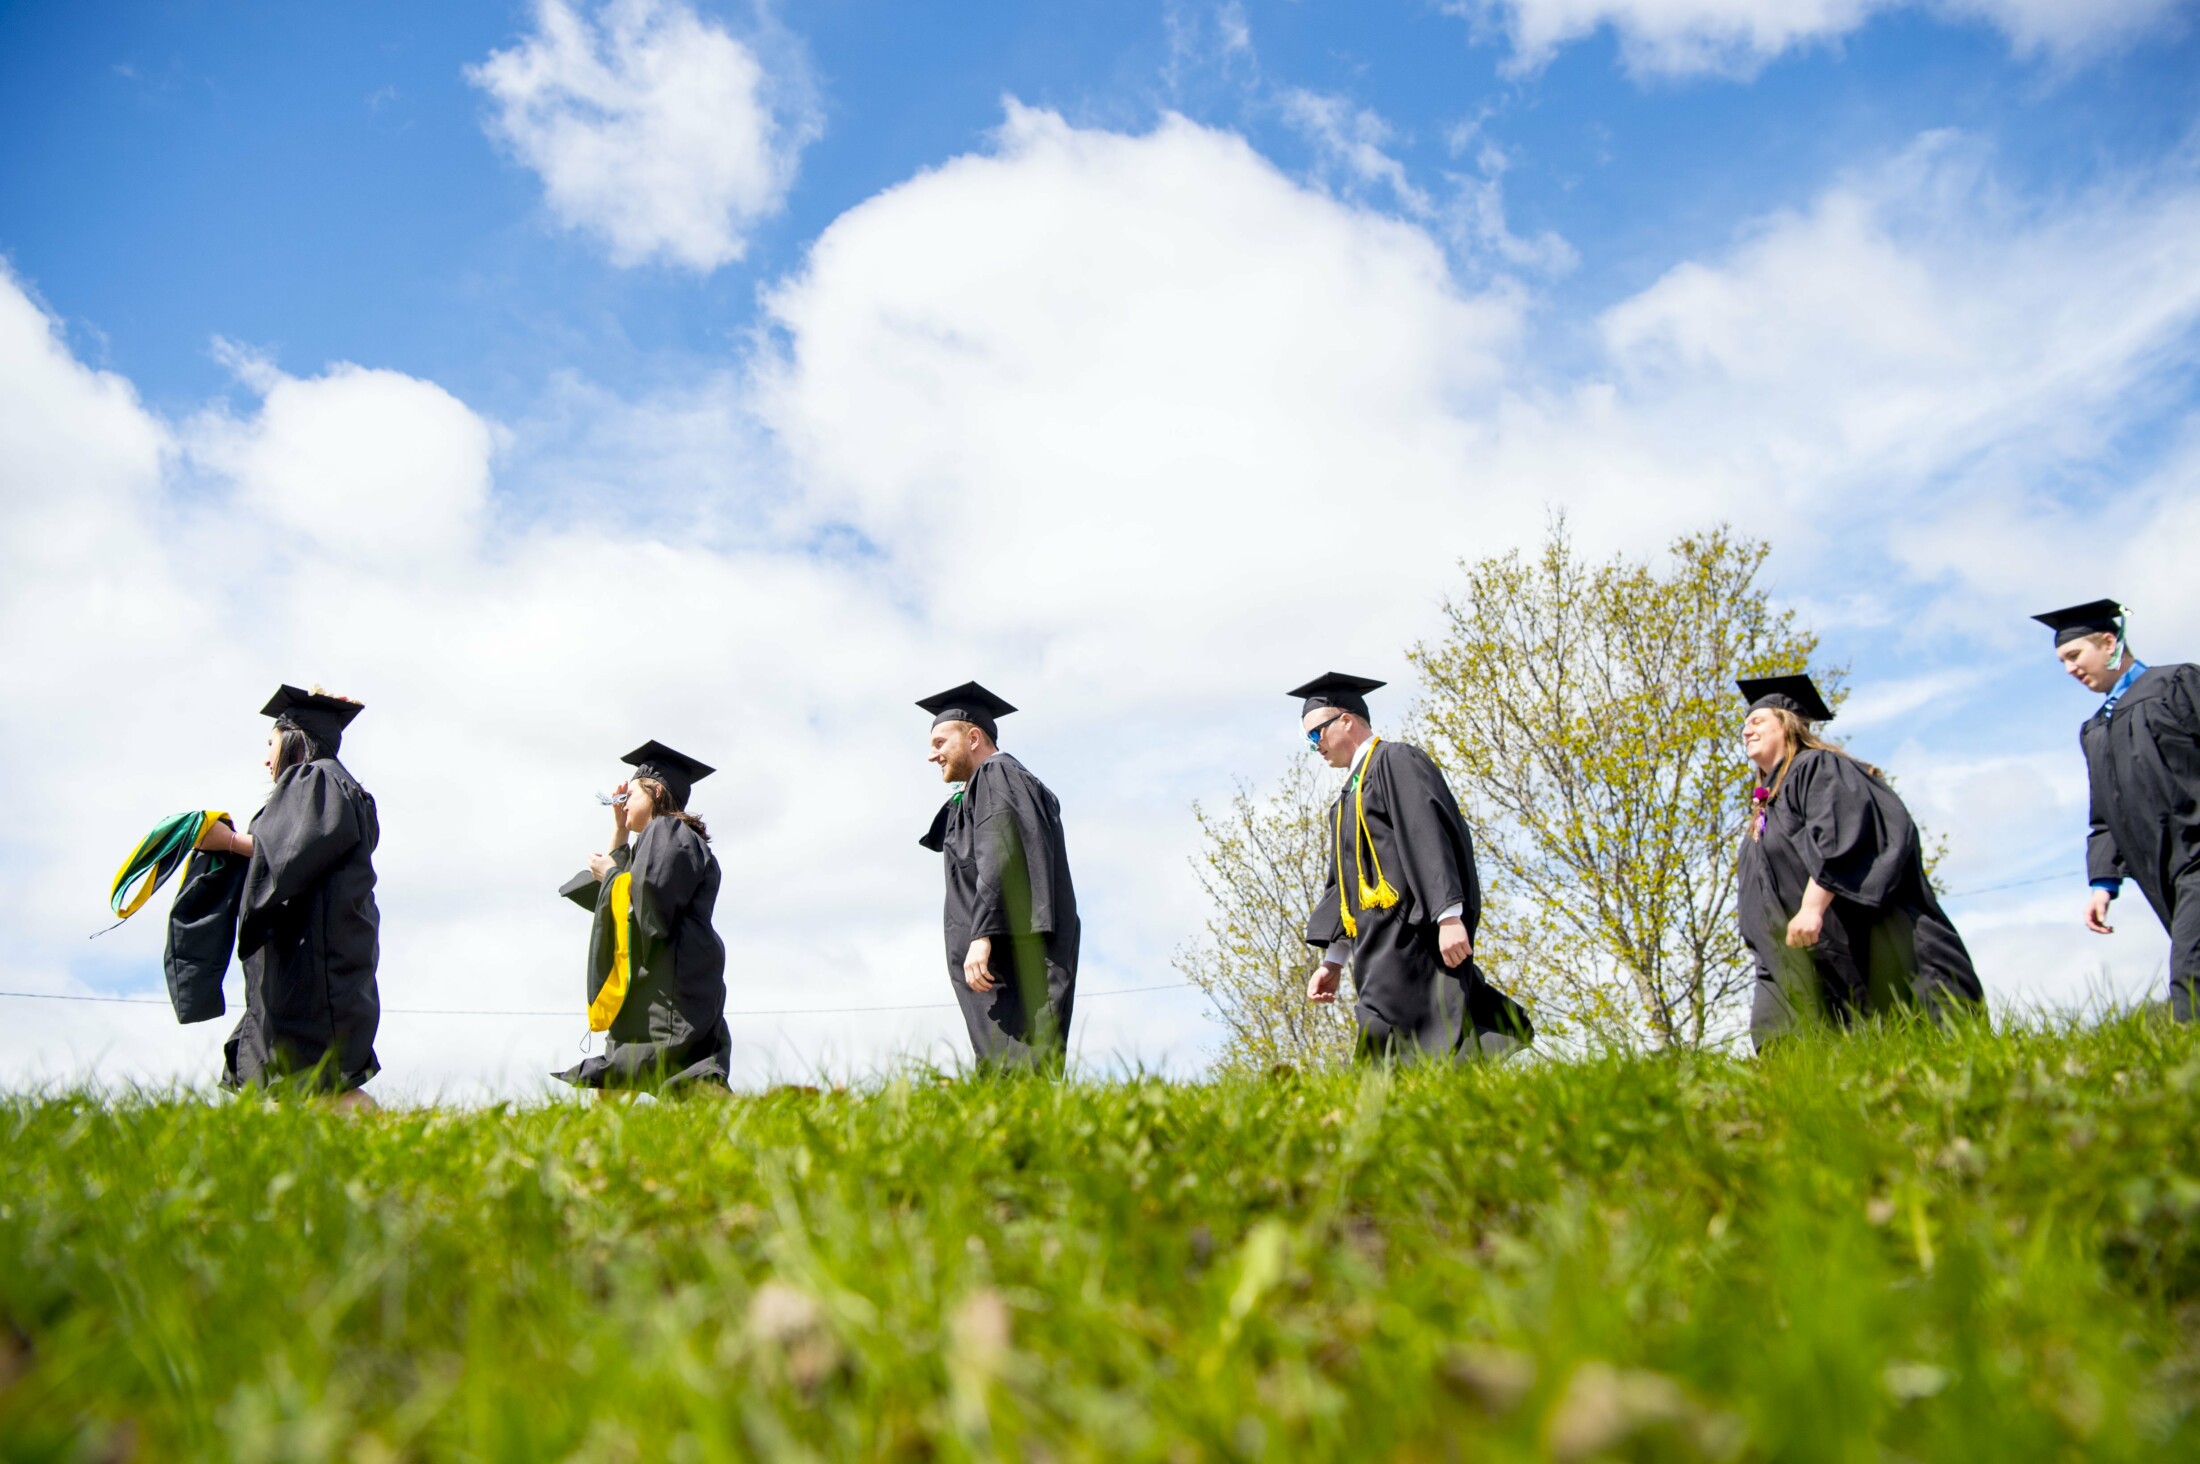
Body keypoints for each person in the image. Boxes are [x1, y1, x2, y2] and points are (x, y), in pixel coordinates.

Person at [1294, 673, 1532, 1062]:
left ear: (1346, 721)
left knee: (1412, 1046)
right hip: (1376, 954)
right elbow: (1343, 886)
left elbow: (1429, 835)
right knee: (1404, 1049)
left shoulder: (1395, 761)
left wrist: (1449, 916)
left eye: (1316, 735)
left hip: (1413, 942)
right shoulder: (1346, 797)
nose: (1314, 747)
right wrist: (1333, 961)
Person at [1736, 675, 1983, 1047]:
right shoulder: (1766, 805)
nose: (1746, 730)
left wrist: (1811, 908)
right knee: (1787, 1056)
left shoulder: (1815, 767)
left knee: (1914, 1041)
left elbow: (1844, 836)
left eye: (1757, 721)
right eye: (1744, 724)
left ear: (1787, 724)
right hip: (1797, 962)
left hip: (1861, 944)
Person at [186, 684, 381, 1107]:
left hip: (313, 972)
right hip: (315, 966)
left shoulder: (318, 781)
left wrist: (230, 842)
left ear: (295, 739)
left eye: (271, 743)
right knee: (299, 1088)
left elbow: (286, 854)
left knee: (321, 1088)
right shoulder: (334, 787)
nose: (266, 757)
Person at [2034, 599, 2200, 1021]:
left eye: (2074, 655)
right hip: (2162, 871)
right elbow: (2104, 813)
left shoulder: (2176, 684)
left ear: (2109, 642)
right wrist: (2103, 882)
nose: (2069, 669)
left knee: (2191, 971)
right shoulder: (2096, 730)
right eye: (2062, 661)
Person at [917, 682, 1079, 1070]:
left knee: (1016, 1067)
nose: (931, 755)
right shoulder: (982, 788)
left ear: (973, 737)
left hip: (1006, 963)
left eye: (940, 742)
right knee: (1005, 1069)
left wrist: (982, 936)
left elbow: (1000, 854)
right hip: (1000, 965)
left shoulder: (997, 774)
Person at [554, 741, 733, 1093]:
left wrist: (609, 875)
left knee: (686, 1077)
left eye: (630, 795)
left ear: (657, 791)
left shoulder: (668, 832)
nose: (622, 802)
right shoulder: (654, 840)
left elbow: (647, 899)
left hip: (671, 988)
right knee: (621, 1072)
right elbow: (615, 905)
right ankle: (595, 1144)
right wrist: (619, 831)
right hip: (653, 986)